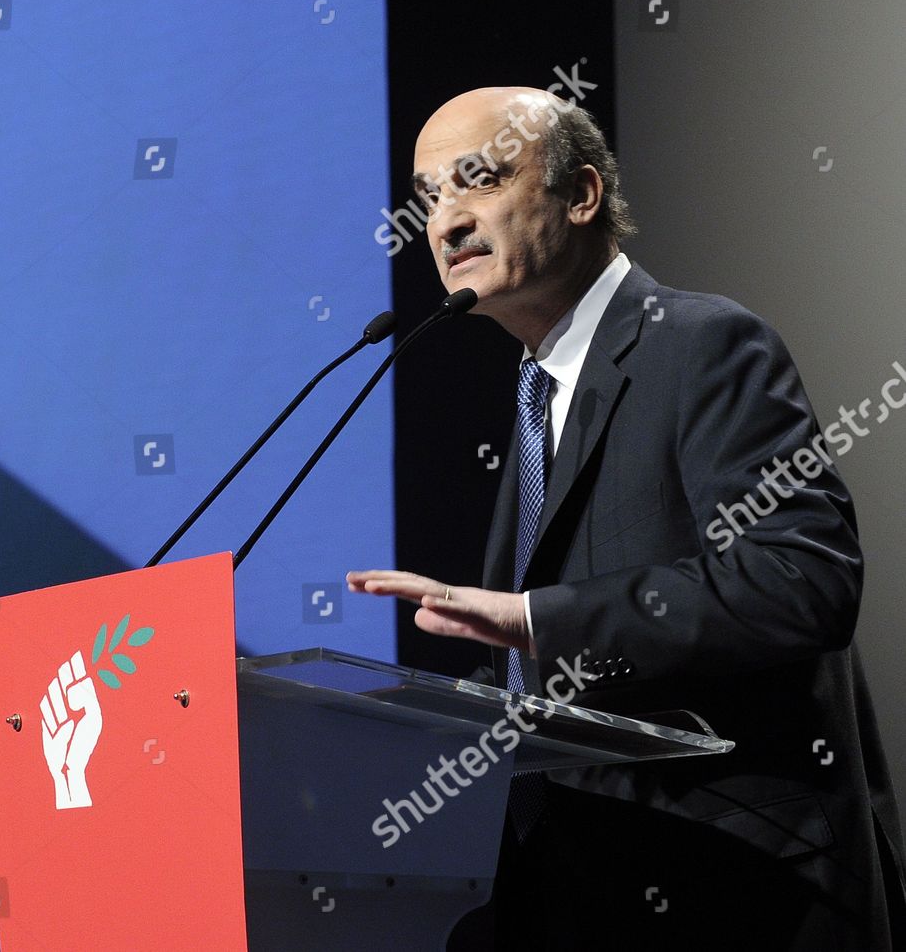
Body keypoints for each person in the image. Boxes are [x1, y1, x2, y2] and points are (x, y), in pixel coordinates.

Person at [348, 87, 905, 949]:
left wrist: (536, 620)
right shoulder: (539, 394)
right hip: (583, 886)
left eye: (479, 182)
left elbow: (803, 580)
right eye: (431, 200)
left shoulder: (702, 343)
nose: (446, 224)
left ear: (581, 196)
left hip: (737, 892)